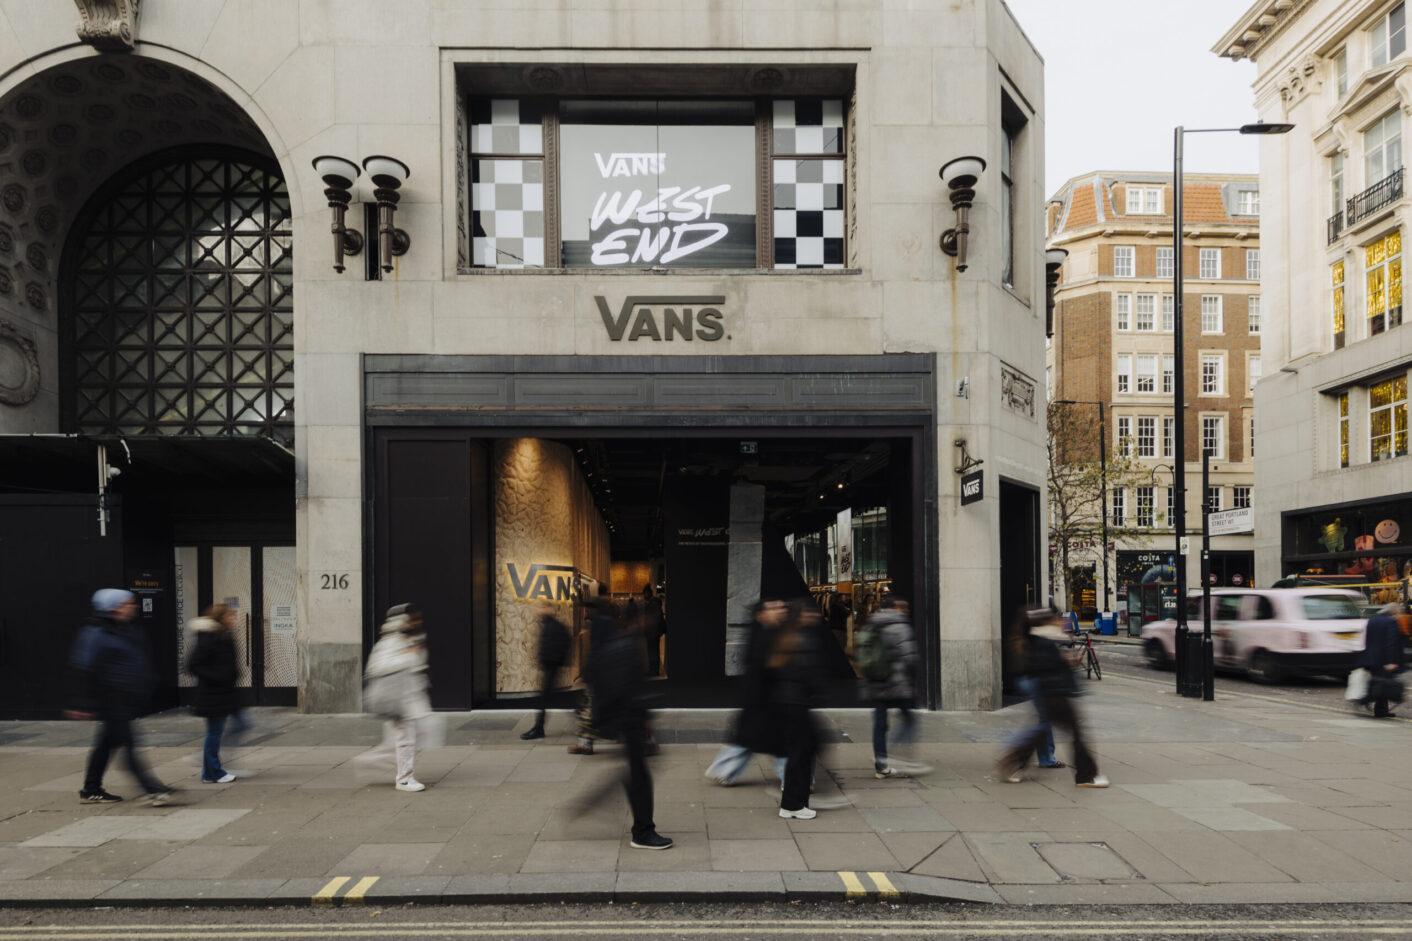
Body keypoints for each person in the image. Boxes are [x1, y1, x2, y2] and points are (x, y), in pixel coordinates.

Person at [67, 589, 174, 805]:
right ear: (113, 607)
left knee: (106, 744)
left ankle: (91, 788)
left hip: (127, 698)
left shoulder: (126, 629)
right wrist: (81, 703)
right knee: (128, 743)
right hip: (111, 698)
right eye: (128, 603)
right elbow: (83, 669)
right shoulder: (95, 634)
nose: (133, 606)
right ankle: (152, 789)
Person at [582, 592, 672, 850]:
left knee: (635, 774)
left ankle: (636, 824)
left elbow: (594, 675)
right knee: (640, 777)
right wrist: (643, 722)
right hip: (628, 721)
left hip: (624, 720)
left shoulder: (615, 640)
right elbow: (627, 691)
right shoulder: (626, 645)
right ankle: (643, 832)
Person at [998, 605, 1108, 788]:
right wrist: (1065, 665)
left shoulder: (1041, 639)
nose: (1061, 621)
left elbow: (1048, 664)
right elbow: (1047, 668)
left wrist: (1066, 661)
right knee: (1075, 732)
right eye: (1056, 618)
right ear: (1046, 622)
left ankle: (1014, 763)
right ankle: (1086, 776)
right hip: (1054, 694)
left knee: (1043, 729)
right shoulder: (1044, 641)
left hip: (1052, 693)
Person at [706, 599, 790, 786]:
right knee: (777, 742)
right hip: (763, 699)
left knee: (751, 740)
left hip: (762, 699)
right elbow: (767, 668)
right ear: (762, 614)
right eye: (774, 608)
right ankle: (792, 779)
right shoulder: (764, 636)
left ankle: (723, 769)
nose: (780, 610)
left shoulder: (764, 632)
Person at [358, 603, 432, 792]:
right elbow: (377, 667)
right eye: (412, 619)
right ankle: (404, 779)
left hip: (408, 697)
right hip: (398, 699)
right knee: (405, 739)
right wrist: (409, 657)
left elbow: (417, 665)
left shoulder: (409, 639)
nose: (416, 622)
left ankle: (369, 762)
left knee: (403, 740)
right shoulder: (391, 641)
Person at [858, 595, 928, 779]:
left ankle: (881, 765)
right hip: (896, 683)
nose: (905, 611)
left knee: (880, 724)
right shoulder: (900, 626)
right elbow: (909, 657)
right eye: (902, 607)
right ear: (895, 608)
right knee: (909, 719)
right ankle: (896, 755)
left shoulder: (871, 623)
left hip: (875, 682)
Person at [771, 599, 827, 820]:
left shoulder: (785, 637)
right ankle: (794, 804)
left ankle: (795, 802)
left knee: (800, 752)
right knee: (801, 754)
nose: (812, 616)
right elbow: (809, 673)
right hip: (797, 704)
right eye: (807, 613)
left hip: (789, 703)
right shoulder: (801, 639)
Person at [186, 604, 250, 783]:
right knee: (214, 732)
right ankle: (213, 771)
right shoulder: (209, 638)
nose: (234, 620)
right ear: (221, 618)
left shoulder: (224, 635)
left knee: (241, 724)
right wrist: (218, 677)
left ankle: (209, 767)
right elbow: (192, 665)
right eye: (230, 616)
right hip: (213, 694)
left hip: (227, 693)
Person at [1004, 605, 1065, 775]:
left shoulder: (1022, 637)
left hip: (1028, 681)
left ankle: (1045, 757)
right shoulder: (1037, 638)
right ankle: (1019, 755)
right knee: (1043, 722)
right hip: (1035, 681)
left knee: (1044, 720)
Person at [521, 602, 572, 740]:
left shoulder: (555, 625)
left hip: (552, 668)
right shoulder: (548, 624)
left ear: (549, 609)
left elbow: (565, 643)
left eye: (541, 607)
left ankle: (538, 729)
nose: (538, 610)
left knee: (544, 699)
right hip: (550, 667)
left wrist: (553, 660)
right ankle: (581, 716)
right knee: (553, 699)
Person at [1359, 603, 1407, 719]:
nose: (1399, 615)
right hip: (1383, 659)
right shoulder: (1391, 622)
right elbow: (1390, 643)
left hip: (1371, 657)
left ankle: (1381, 710)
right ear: (1394, 612)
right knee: (1382, 683)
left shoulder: (1373, 620)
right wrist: (1390, 661)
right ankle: (1365, 701)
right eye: (1398, 613)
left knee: (1380, 683)